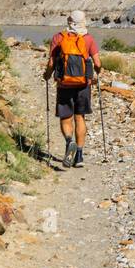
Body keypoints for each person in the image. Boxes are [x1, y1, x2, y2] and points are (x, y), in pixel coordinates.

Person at [44, 10, 101, 168]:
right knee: (79, 117)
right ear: (83, 22)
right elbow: (97, 63)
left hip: (64, 84)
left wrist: (47, 76)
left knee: (65, 117)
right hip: (83, 85)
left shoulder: (59, 37)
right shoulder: (88, 39)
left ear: (69, 21)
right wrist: (97, 72)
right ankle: (80, 156)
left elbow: (51, 64)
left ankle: (70, 142)